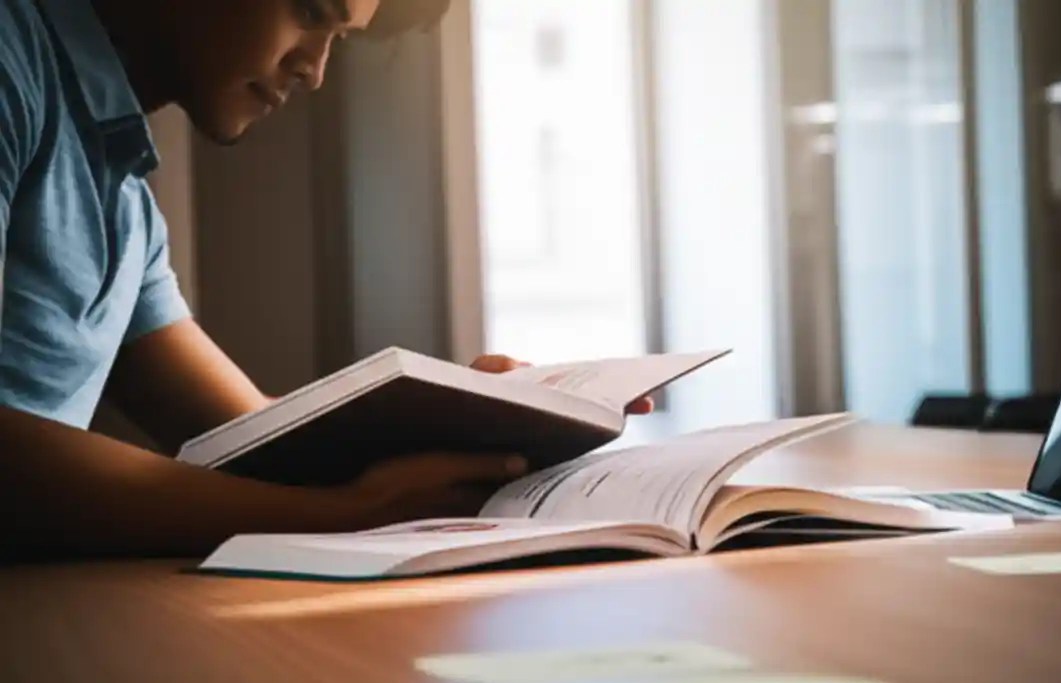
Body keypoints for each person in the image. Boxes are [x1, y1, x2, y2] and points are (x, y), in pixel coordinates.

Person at [0, 0, 651, 561]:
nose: (314, 71)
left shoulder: (124, 204)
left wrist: (462, 422)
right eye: (310, 13)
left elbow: (253, 442)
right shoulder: (12, 58)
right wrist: (346, 517)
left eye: (339, 37)